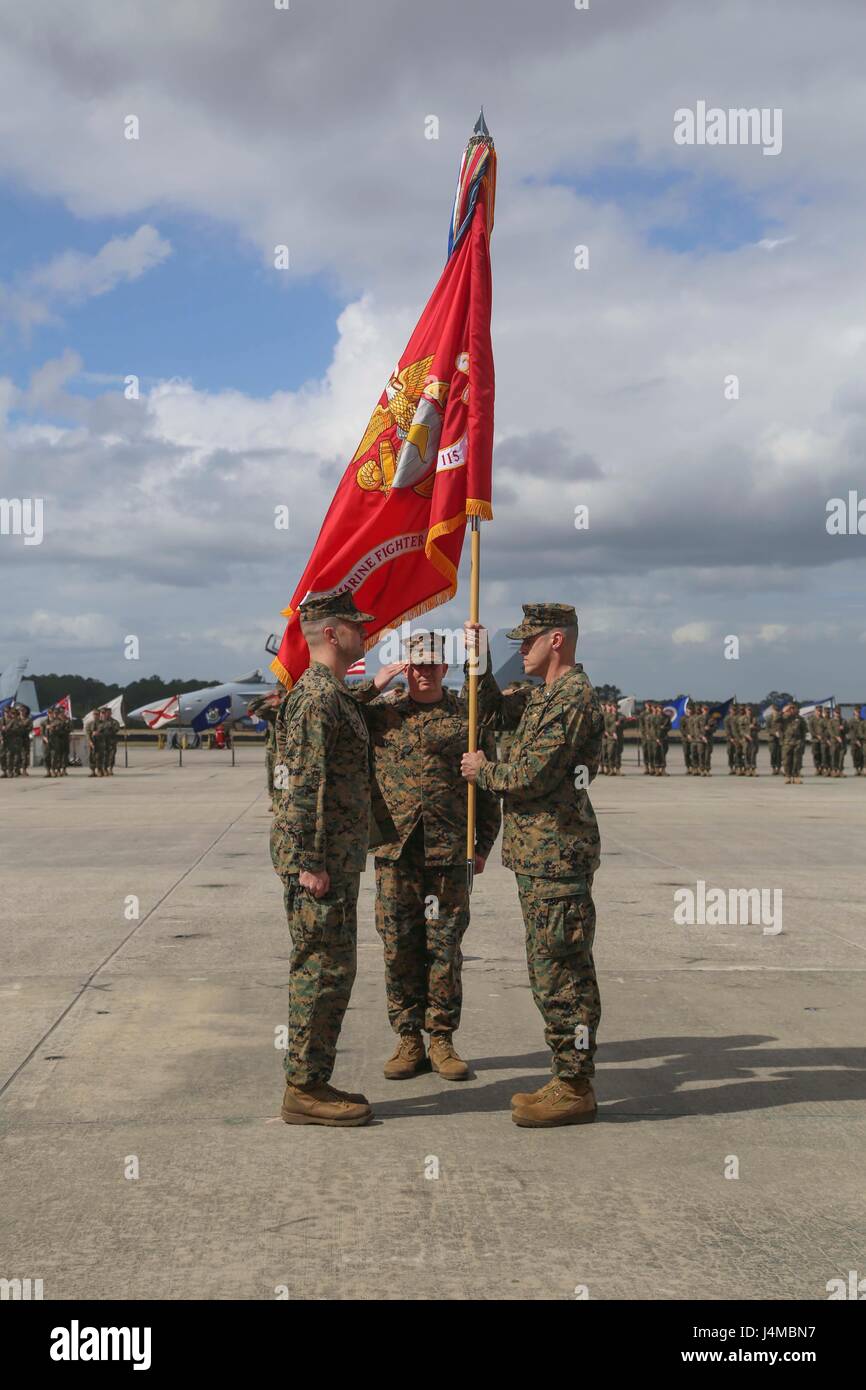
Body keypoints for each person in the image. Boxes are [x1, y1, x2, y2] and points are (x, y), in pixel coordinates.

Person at [462, 604, 603, 1129]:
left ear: (558, 641)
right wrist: (478, 662)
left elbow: (532, 773)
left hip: (557, 854)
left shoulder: (572, 699)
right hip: (539, 855)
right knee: (548, 968)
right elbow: (489, 711)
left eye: (529, 640)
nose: (522, 649)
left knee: (563, 971)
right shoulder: (543, 695)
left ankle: (575, 1085)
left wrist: (484, 770)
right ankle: (566, 1075)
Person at [352, 631, 500, 1081]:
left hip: (448, 849)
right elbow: (334, 711)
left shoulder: (466, 717)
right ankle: (407, 1038)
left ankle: (441, 1038)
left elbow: (487, 788)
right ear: (405, 667)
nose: (424, 672)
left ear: (445, 668)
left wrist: (482, 845)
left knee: (445, 948)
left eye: (432, 664)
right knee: (398, 946)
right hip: (396, 851)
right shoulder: (383, 713)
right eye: (416, 665)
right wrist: (373, 686)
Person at [270, 591, 375, 1128]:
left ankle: (312, 1078)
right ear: (333, 634)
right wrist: (309, 862)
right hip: (321, 865)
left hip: (335, 859)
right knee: (320, 970)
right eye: (356, 626)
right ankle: (304, 1088)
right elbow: (300, 784)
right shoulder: (316, 698)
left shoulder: (331, 694)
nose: (366, 632)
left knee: (332, 969)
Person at [248, 690, 281, 810]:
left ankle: (280, 801)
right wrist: (267, 698)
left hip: (283, 749)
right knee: (271, 775)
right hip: (272, 747)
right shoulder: (271, 711)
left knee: (281, 775)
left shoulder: (286, 707)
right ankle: (274, 799)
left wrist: (282, 701)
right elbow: (255, 709)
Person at [781, 702, 807, 784]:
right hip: (787, 742)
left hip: (797, 742)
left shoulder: (800, 719)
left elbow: (804, 731)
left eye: (793, 708)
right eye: (790, 708)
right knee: (786, 761)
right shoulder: (784, 718)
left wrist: (802, 742)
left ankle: (796, 777)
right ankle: (788, 776)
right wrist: (783, 711)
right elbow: (775, 720)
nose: (792, 710)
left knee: (797, 760)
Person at [845, 708, 864, 776]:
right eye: (857, 712)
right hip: (854, 741)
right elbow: (850, 732)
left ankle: (861, 769)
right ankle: (856, 769)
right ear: (854, 712)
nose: (858, 713)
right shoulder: (851, 721)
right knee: (854, 755)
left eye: (859, 712)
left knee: (862, 755)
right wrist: (856, 740)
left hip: (862, 740)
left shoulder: (863, 720)